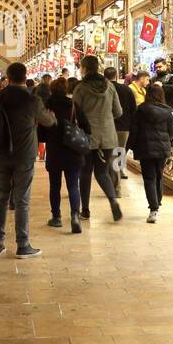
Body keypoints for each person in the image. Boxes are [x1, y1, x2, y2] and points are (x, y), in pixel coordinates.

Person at [0, 62, 56, 258]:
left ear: (8, 77)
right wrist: (51, 117)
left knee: (1, 198)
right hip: (24, 154)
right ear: (25, 76)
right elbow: (48, 121)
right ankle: (23, 245)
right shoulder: (31, 99)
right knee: (22, 201)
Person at [72, 55, 123, 222]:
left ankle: (85, 210)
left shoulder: (81, 88)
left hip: (87, 136)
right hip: (108, 136)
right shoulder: (109, 86)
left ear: (85, 68)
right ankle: (113, 201)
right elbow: (118, 112)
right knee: (102, 172)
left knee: (85, 173)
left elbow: (75, 113)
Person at [41, 76, 90, 234]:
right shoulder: (74, 106)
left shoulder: (47, 106)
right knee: (73, 185)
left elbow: (41, 131)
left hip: (54, 151)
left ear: (51, 90)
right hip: (73, 150)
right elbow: (87, 128)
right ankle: (75, 216)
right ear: (66, 90)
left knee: (54, 186)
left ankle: (56, 218)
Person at [129, 84, 173, 223]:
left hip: (145, 148)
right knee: (159, 176)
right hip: (162, 149)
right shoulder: (168, 112)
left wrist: (131, 145)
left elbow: (134, 131)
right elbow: (172, 133)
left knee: (149, 178)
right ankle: (157, 202)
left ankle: (153, 208)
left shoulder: (140, 110)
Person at [108, 66, 136, 190]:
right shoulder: (126, 90)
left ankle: (116, 183)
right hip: (124, 127)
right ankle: (119, 174)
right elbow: (133, 109)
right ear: (116, 75)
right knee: (119, 152)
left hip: (108, 126)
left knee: (111, 154)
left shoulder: (104, 90)